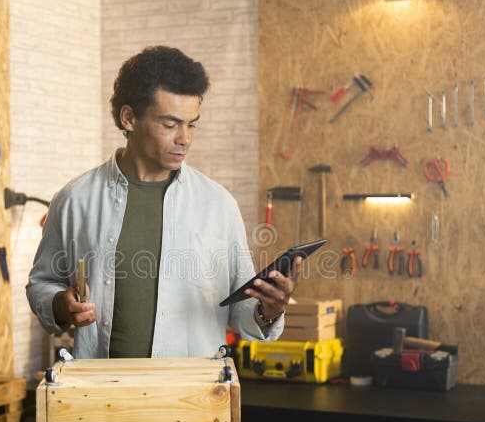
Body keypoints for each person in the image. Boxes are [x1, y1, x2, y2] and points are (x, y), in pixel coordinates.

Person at [26, 46, 301, 359]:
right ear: (129, 118)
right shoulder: (75, 199)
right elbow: (41, 283)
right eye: (170, 125)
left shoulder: (218, 205)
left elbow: (240, 310)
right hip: (104, 395)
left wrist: (269, 309)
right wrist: (60, 304)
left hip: (191, 396)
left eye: (191, 124)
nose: (184, 138)